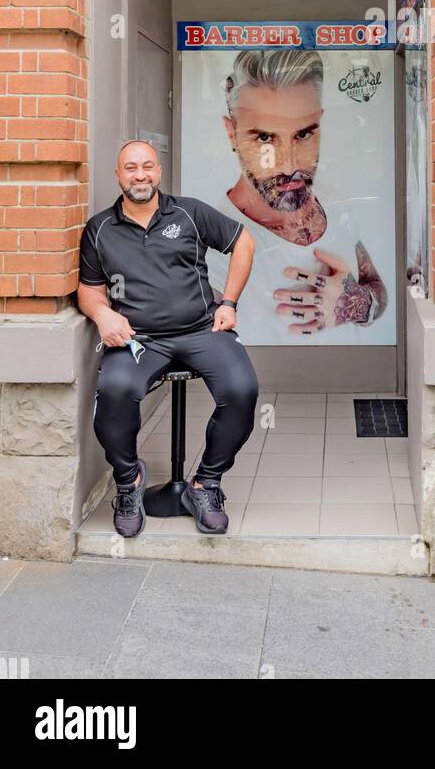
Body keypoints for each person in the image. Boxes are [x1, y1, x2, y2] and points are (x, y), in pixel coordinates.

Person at [76, 140, 257, 540]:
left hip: (200, 330)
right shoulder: (100, 229)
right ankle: (128, 482)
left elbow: (243, 242)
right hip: (139, 339)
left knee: (242, 389)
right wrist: (103, 314)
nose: (140, 175)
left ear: (158, 171)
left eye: (147, 167)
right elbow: (89, 290)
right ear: (118, 175)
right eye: (131, 168)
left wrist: (229, 302)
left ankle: (205, 485)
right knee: (115, 391)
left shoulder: (189, 213)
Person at [206, 48, 388, 342]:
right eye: (264, 137)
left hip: (354, 380)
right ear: (232, 134)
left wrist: (359, 303)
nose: (289, 165)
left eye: (303, 135)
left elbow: (373, 285)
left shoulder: (335, 204)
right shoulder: (213, 241)